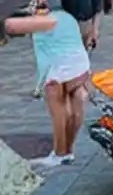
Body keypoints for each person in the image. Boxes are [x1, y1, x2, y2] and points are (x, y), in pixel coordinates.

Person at [1, 10, 91, 169]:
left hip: (59, 69)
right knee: (74, 106)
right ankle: (68, 151)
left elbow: (11, 26)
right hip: (80, 64)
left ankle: (59, 154)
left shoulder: (51, 20)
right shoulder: (68, 18)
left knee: (59, 112)